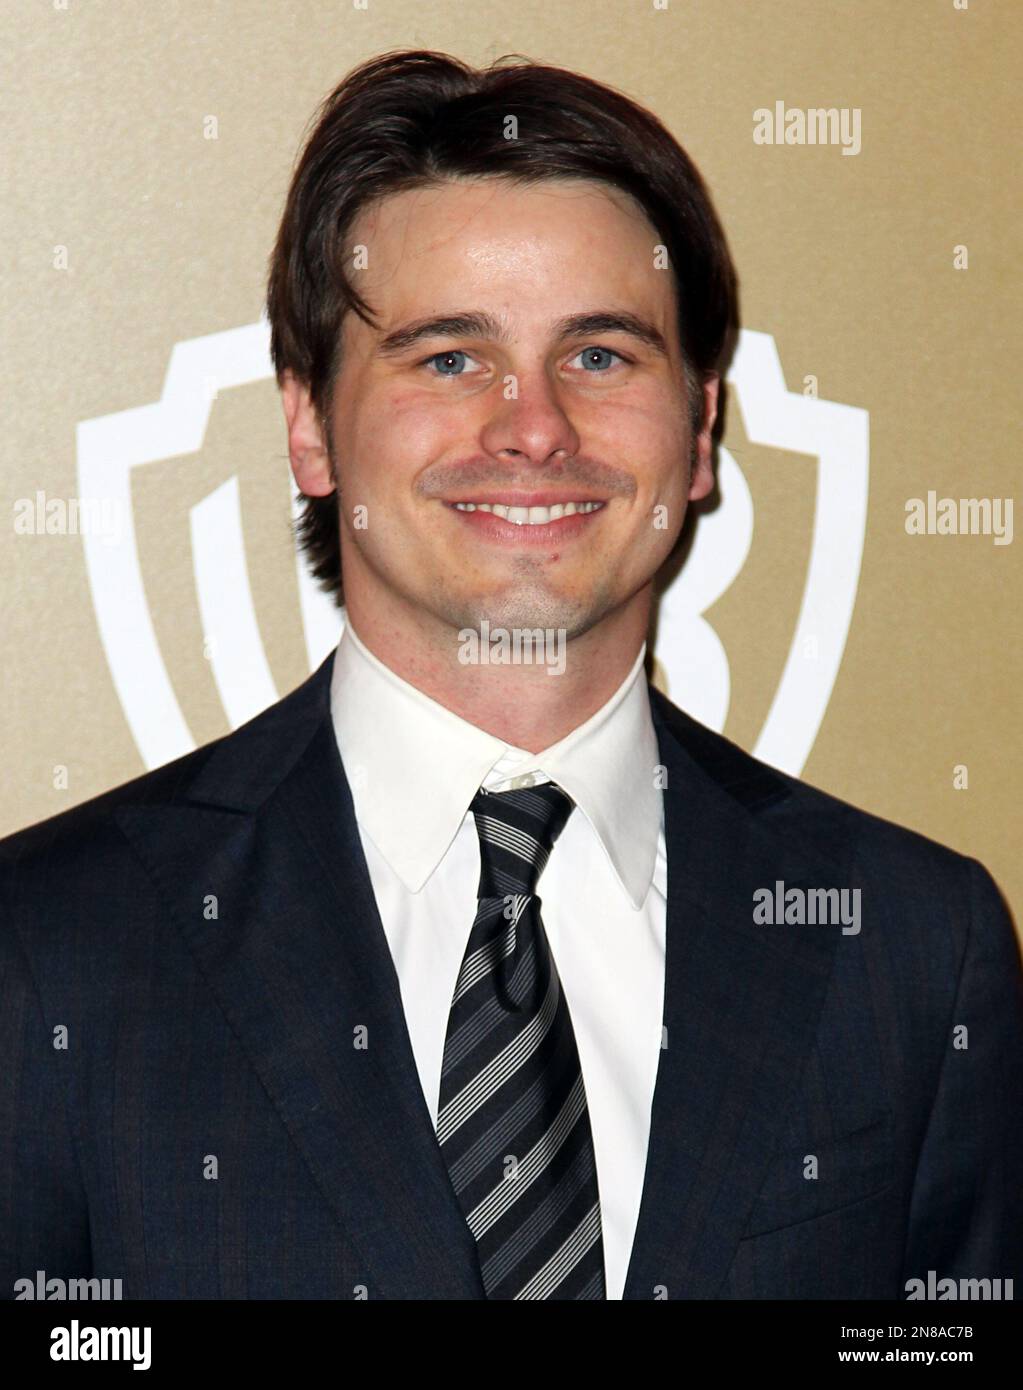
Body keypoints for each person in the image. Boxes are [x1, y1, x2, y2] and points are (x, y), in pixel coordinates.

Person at [2, 49, 1021, 1302]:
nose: (533, 426)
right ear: (310, 425)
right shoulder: (48, 947)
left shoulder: (908, 943)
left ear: (700, 428)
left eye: (600, 356)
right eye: (448, 358)